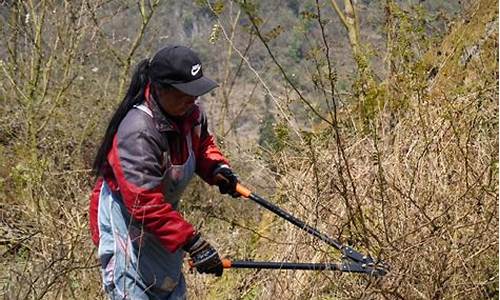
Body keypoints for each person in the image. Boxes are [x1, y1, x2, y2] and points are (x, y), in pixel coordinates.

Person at [89, 45, 240, 299]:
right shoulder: (137, 132)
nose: (192, 100)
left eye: (195, 93)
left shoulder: (190, 113)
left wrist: (217, 169)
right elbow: (143, 202)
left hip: (162, 223)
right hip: (128, 225)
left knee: (169, 290)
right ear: (160, 88)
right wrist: (192, 241)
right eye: (184, 94)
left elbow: (201, 145)